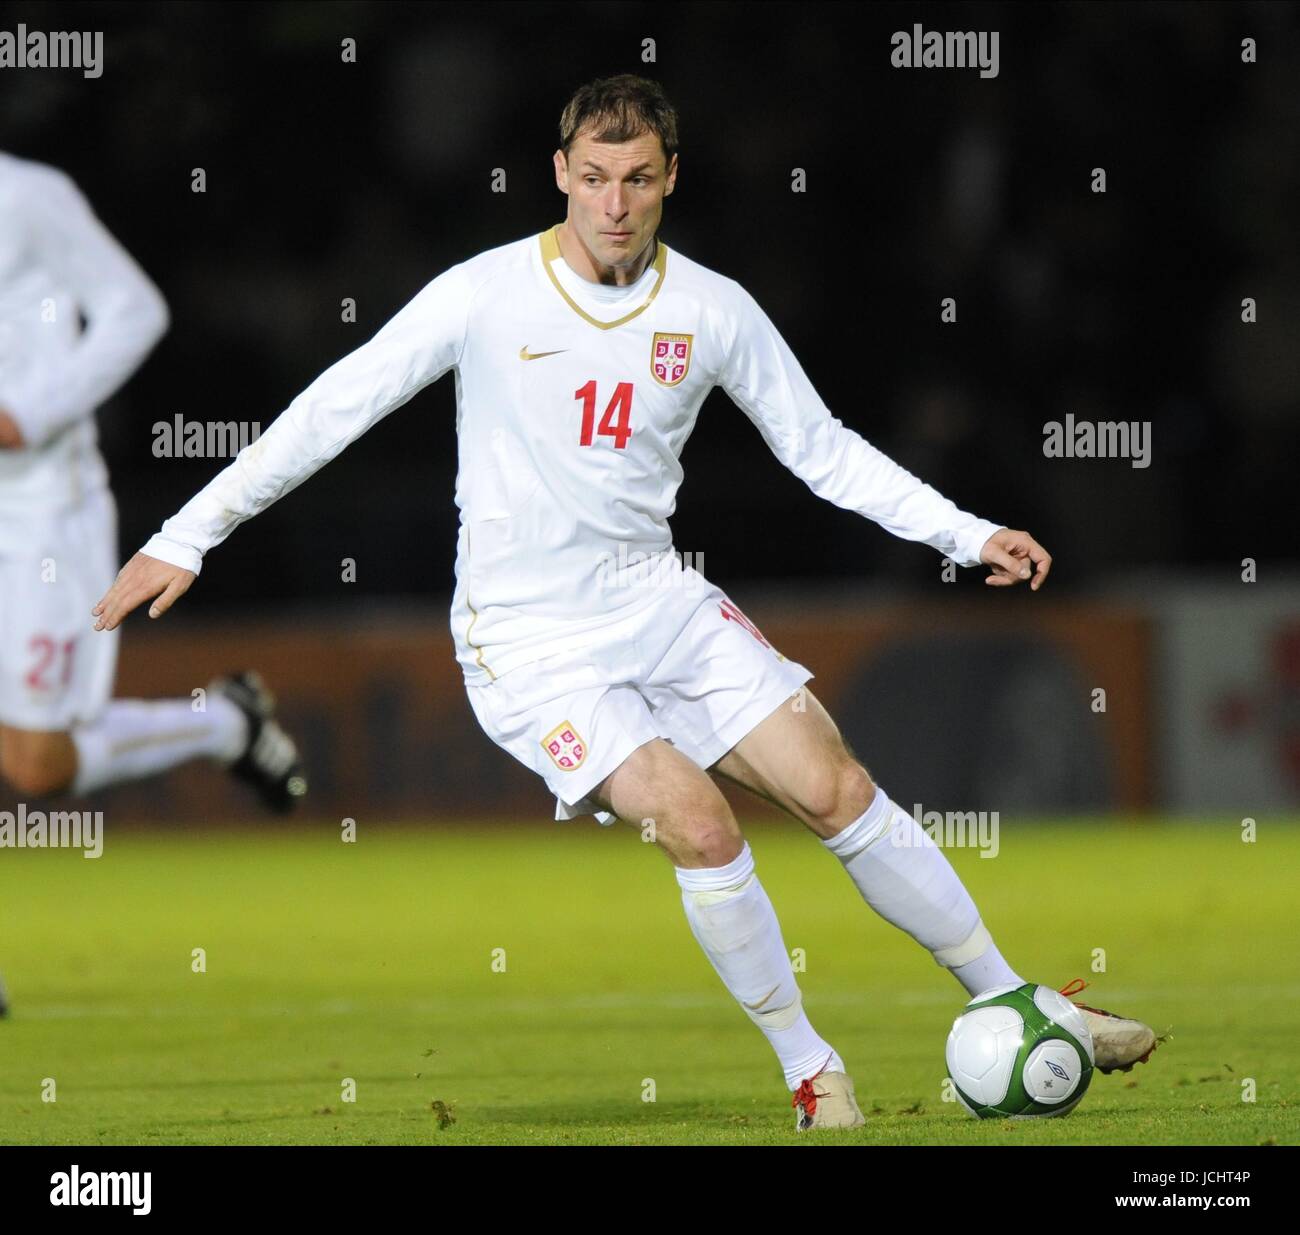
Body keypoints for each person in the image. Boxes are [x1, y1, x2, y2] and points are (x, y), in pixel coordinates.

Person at [90, 76, 1156, 1126]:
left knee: (834, 787)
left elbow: (820, 449)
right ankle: (810, 1065)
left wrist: (965, 533)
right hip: (528, 642)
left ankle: (1012, 996)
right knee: (697, 821)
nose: (612, 202)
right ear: (559, 173)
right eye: (592, 177)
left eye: (636, 179)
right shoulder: (485, 295)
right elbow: (336, 405)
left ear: (668, 180)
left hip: (660, 601)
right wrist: (188, 532)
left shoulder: (711, 309)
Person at [0, 152, 306, 818]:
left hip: (35, 512)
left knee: (37, 762)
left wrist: (29, 415)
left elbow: (134, 310)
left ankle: (227, 724)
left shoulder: (23, 196)